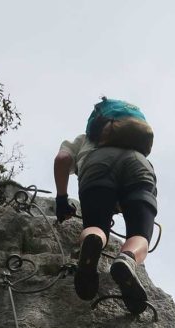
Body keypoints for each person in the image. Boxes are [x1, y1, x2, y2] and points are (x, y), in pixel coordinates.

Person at [54, 100, 157, 314]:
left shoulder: (85, 140)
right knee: (140, 234)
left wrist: (62, 199)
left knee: (96, 226)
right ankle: (127, 259)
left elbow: (63, 158)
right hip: (138, 165)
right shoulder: (134, 145)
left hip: (96, 164)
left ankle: (93, 241)